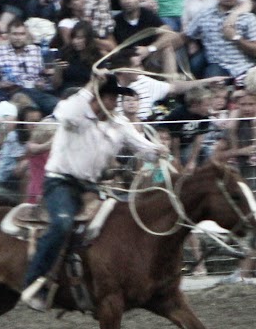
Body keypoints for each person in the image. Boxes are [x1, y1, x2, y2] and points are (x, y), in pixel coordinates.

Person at [19, 72, 166, 312]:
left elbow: (141, 146)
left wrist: (156, 150)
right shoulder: (77, 114)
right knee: (62, 224)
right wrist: (90, 86)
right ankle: (34, 281)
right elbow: (64, 112)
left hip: (89, 186)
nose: (115, 103)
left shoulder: (119, 123)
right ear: (99, 97)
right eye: (110, 97)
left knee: (115, 226)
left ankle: (97, 281)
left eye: (116, 98)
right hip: (60, 183)